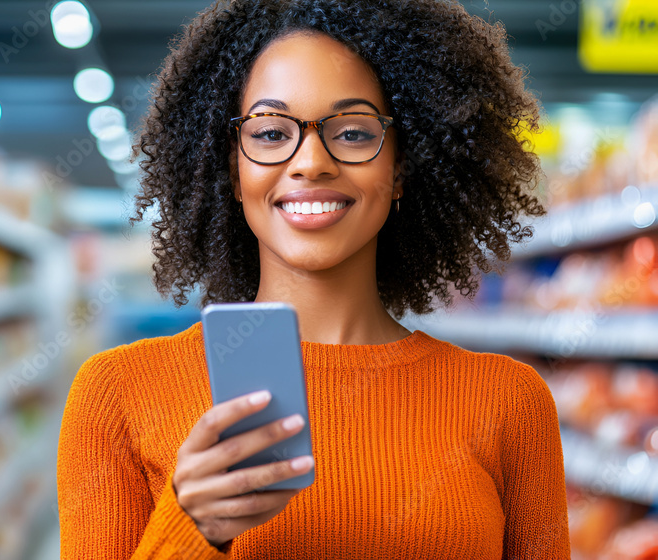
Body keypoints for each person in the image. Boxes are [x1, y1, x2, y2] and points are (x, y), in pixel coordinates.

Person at [56, 0, 570, 558]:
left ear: (400, 168)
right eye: (272, 133)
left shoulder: (511, 402)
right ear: (233, 171)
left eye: (352, 132)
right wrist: (191, 527)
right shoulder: (117, 395)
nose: (311, 163)